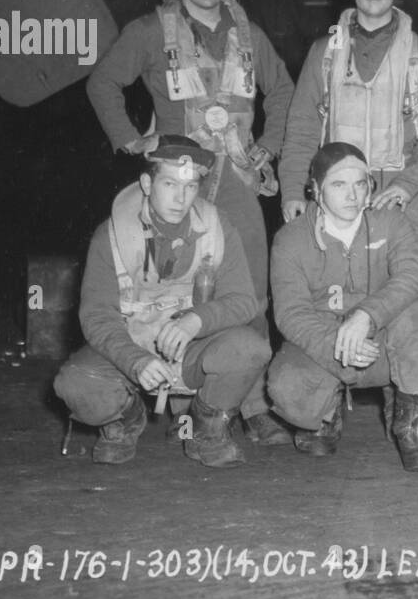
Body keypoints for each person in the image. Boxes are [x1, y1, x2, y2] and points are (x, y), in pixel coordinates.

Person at [87, 0, 294, 342]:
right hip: (177, 180)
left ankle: (246, 390)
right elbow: (102, 82)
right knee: (167, 283)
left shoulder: (249, 36)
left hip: (237, 177)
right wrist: (131, 138)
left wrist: (269, 146)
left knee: (250, 281)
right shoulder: (148, 31)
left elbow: (284, 91)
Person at [53, 137, 273, 468]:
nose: (181, 197)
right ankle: (125, 417)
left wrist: (195, 320)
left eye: (191, 186)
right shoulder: (110, 235)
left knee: (251, 348)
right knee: (74, 383)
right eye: (169, 183)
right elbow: (97, 315)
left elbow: (243, 300)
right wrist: (134, 360)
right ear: (146, 183)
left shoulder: (217, 226)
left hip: (192, 349)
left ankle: (207, 424)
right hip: (129, 346)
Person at [265, 143, 418, 470]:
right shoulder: (291, 239)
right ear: (316, 190)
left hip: (382, 342)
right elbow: (290, 314)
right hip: (325, 344)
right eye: (338, 184)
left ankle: (414, 423)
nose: (352, 195)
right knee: (286, 387)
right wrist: (337, 345)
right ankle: (326, 412)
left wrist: (367, 315)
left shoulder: (390, 222)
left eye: (360, 184)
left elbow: (417, 275)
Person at [278, 0, 418, 241]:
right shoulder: (324, 54)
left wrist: (407, 185)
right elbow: (302, 129)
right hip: (335, 200)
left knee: (405, 285)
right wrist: (293, 189)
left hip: (400, 201)